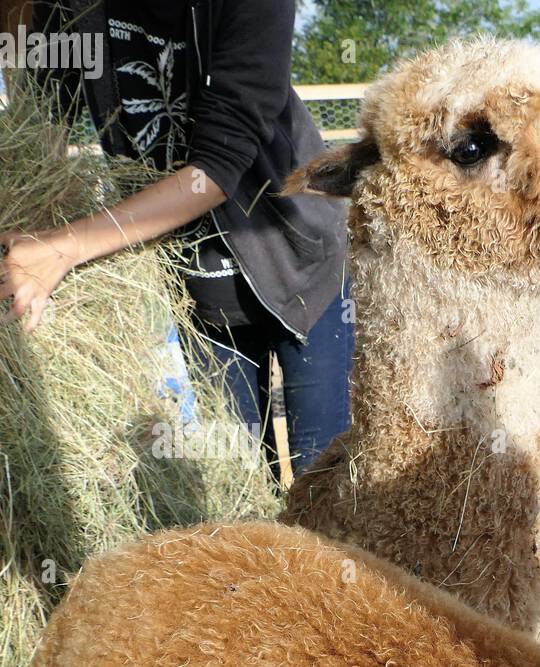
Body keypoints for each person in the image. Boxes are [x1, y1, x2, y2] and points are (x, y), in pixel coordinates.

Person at [0, 0, 353, 475]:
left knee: (323, 483)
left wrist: (64, 246)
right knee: (234, 485)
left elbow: (216, 169)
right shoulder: (69, 7)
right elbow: (39, 121)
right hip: (196, 286)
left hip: (300, 263)